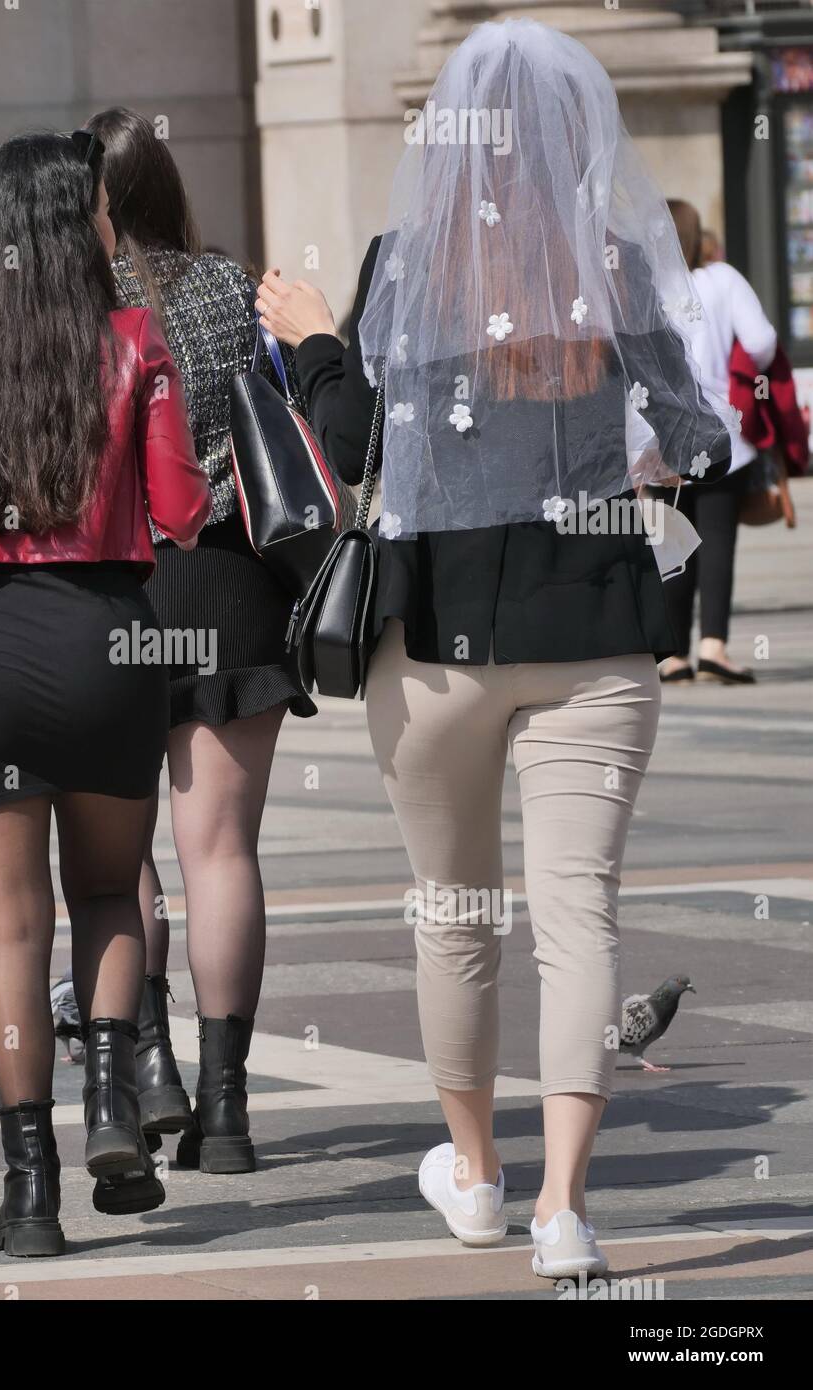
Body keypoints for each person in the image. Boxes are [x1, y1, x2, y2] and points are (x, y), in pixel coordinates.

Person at [256, 18, 732, 1279]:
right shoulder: (618, 266)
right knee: (579, 919)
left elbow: (359, 440)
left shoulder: (410, 267)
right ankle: (564, 1212)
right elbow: (701, 437)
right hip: (593, 634)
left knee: (454, 914)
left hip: (436, 643)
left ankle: (472, 1173)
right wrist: (629, 462)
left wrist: (310, 337)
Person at [0, 131, 211, 1258]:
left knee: (9, 928)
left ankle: (27, 1195)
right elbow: (180, 511)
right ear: (76, 229)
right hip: (102, 639)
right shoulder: (130, 344)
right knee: (110, 893)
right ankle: (115, 1099)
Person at [85, 106, 315, 1175]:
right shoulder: (229, 286)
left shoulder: (75, 305)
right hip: (231, 590)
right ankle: (226, 1116)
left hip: (118, 597)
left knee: (118, 861)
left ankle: (149, 1063)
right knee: (222, 851)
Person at [656, 200, 777, 684]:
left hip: (661, 435)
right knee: (718, 540)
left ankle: (671, 656)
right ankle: (713, 650)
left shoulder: (645, 284)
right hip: (723, 431)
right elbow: (763, 339)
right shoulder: (723, 279)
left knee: (672, 546)